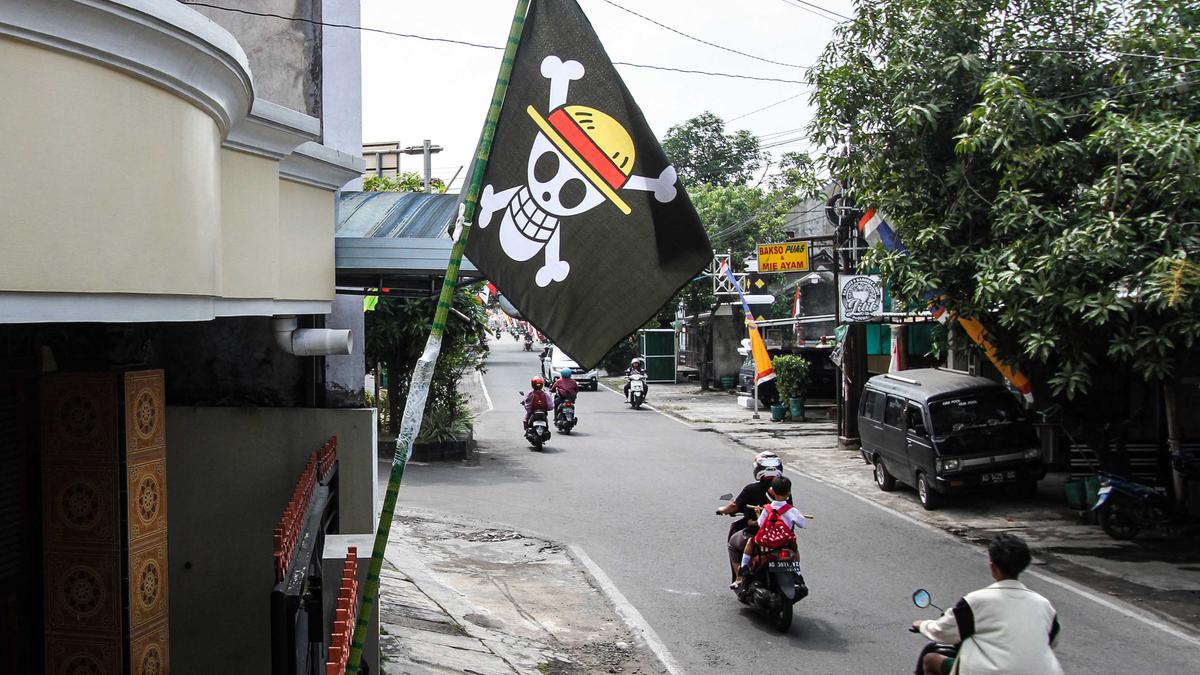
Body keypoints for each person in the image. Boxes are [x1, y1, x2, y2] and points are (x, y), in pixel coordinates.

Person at [912, 534, 1063, 675]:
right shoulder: (1044, 606)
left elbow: (941, 631)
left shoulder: (975, 602)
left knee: (931, 660)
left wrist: (922, 625)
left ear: (992, 565)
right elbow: (1052, 642)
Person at [716, 452, 789, 580]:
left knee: (733, 543)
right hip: (784, 537)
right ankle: (798, 576)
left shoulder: (752, 489)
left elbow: (734, 506)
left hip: (759, 535)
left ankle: (740, 578)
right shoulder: (784, 491)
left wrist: (723, 510)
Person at [732, 475, 805, 589]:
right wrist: (797, 515)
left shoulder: (767, 509)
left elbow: (760, 524)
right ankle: (797, 573)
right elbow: (802, 524)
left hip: (767, 543)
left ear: (772, 492)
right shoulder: (792, 511)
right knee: (795, 548)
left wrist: (758, 514)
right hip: (785, 543)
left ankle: (743, 569)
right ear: (789, 493)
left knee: (750, 541)